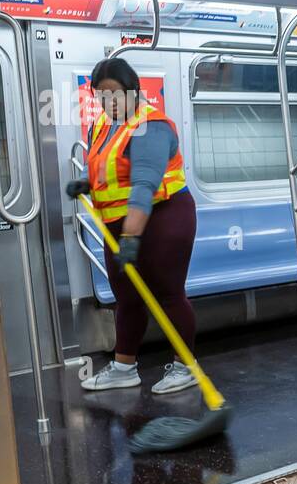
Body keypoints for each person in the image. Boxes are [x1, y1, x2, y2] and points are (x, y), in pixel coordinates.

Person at [66, 58, 199, 395]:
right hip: (122, 223)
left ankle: (186, 367)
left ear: (133, 91)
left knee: (167, 294)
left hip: (163, 217)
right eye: (100, 95)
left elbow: (143, 184)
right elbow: (109, 167)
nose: (107, 102)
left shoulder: (151, 126)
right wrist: (87, 183)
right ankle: (125, 367)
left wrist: (130, 236)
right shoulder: (103, 124)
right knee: (126, 297)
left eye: (114, 94)